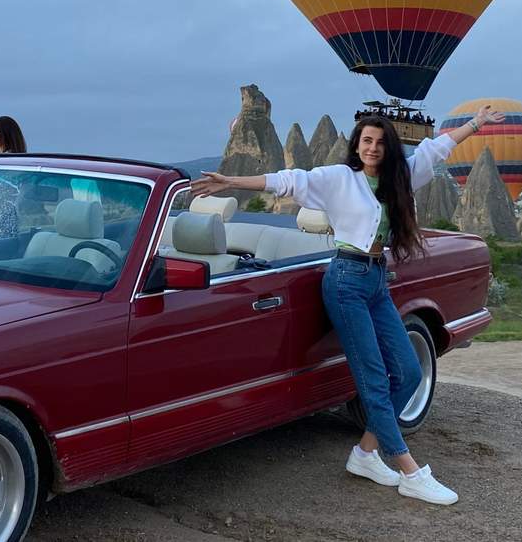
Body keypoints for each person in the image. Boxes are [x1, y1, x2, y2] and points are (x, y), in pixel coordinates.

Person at [193, 104, 504, 506]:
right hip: (345, 280)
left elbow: (436, 149)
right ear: (356, 145)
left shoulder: (400, 177)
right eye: (366, 141)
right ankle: (410, 471)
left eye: (380, 142)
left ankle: (365, 453)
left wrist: (476, 123)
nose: (373, 148)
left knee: (409, 372)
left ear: (389, 148)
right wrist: (230, 180)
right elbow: (286, 181)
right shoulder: (338, 179)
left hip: (377, 279)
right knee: (373, 378)